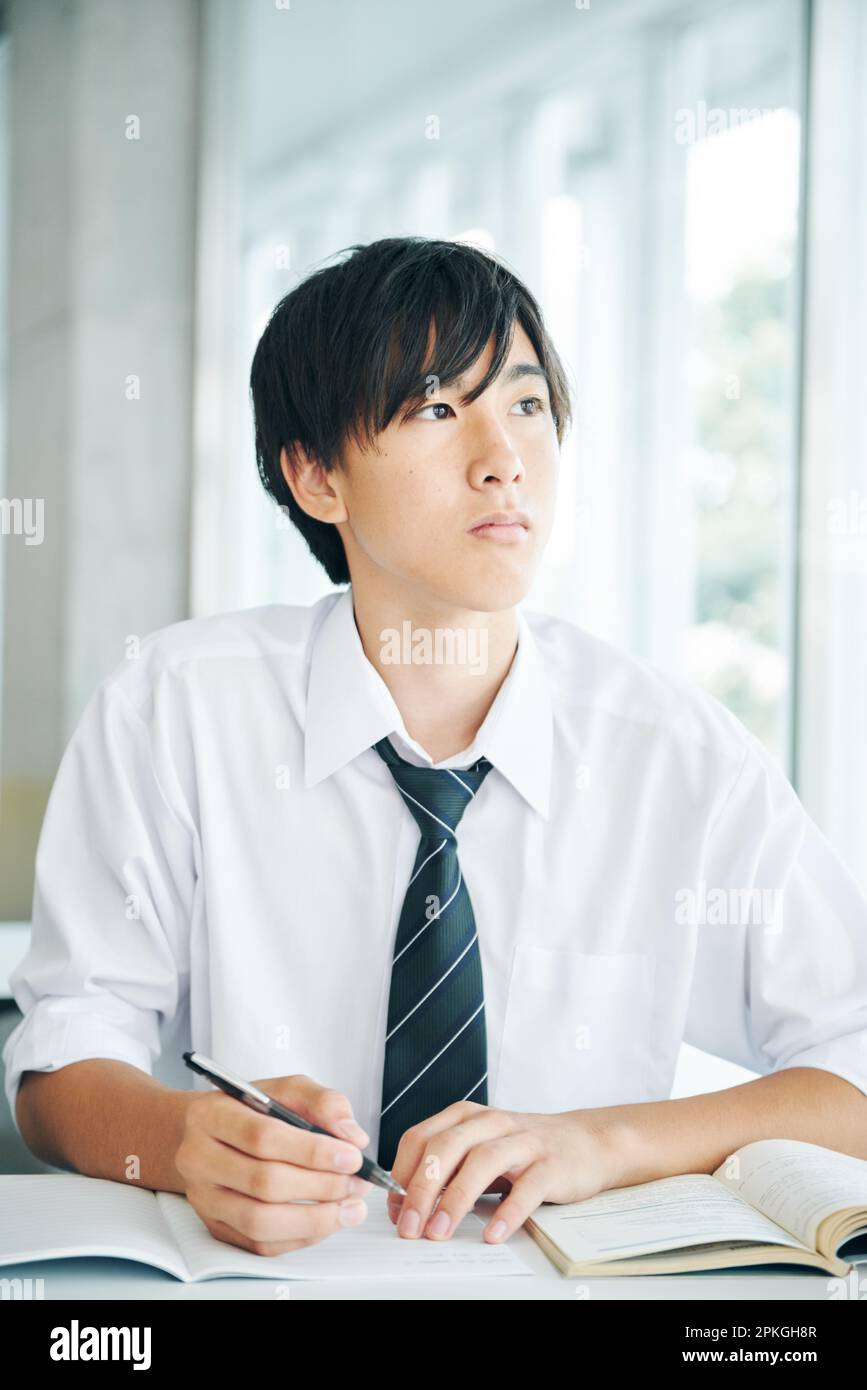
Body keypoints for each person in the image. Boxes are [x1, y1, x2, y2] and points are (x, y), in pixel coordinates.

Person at [5, 236, 867, 1258]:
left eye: (527, 404)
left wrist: (606, 1139)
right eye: (435, 409)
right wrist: (188, 1139)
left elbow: (851, 1063)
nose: (503, 455)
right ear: (316, 475)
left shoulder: (675, 754)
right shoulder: (177, 709)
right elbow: (61, 1060)